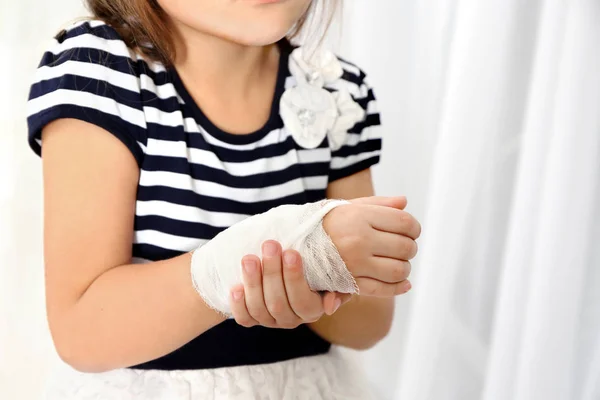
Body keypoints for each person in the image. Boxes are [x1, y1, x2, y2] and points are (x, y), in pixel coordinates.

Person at [26, 0, 421, 398]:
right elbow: (81, 331)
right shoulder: (100, 69)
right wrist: (233, 269)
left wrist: (316, 275)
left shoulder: (335, 89)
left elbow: (370, 323)